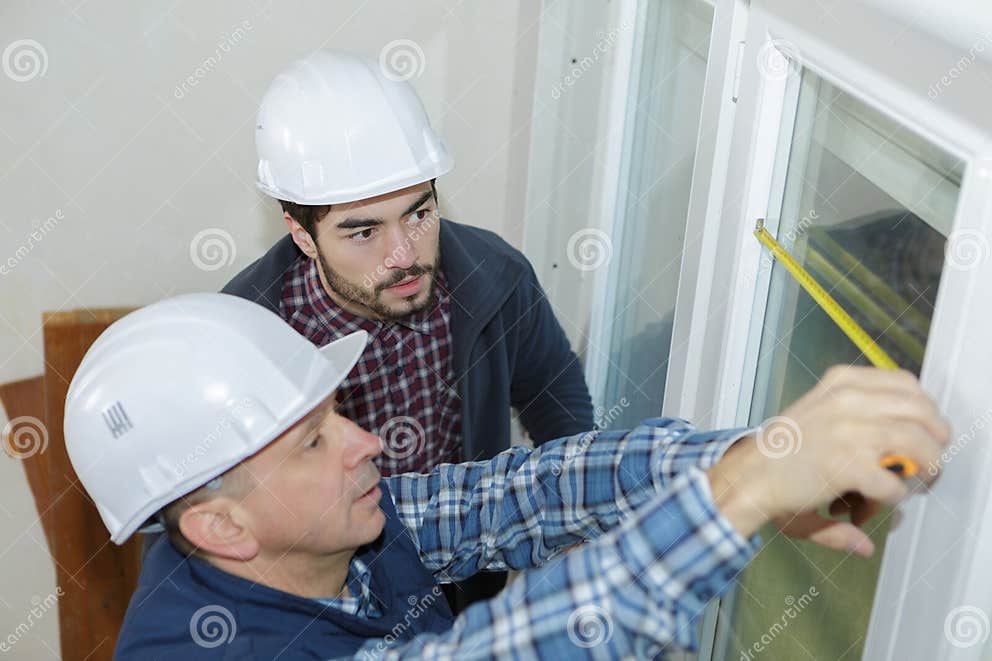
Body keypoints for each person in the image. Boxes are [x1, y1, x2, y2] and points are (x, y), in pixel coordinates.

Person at [64, 294, 950, 659]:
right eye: (311, 441)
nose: (365, 441)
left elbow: (523, 494)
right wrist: (741, 494)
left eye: (338, 413)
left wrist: (742, 458)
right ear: (222, 527)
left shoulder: (319, 532)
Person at [222, 50, 595, 606]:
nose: (405, 256)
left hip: (467, 592)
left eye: (419, 214)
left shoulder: (495, 277)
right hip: (329, 606)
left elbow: (554, 400)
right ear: (302, 236)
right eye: (364, 232)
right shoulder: (245, 337)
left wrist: (579, 523)